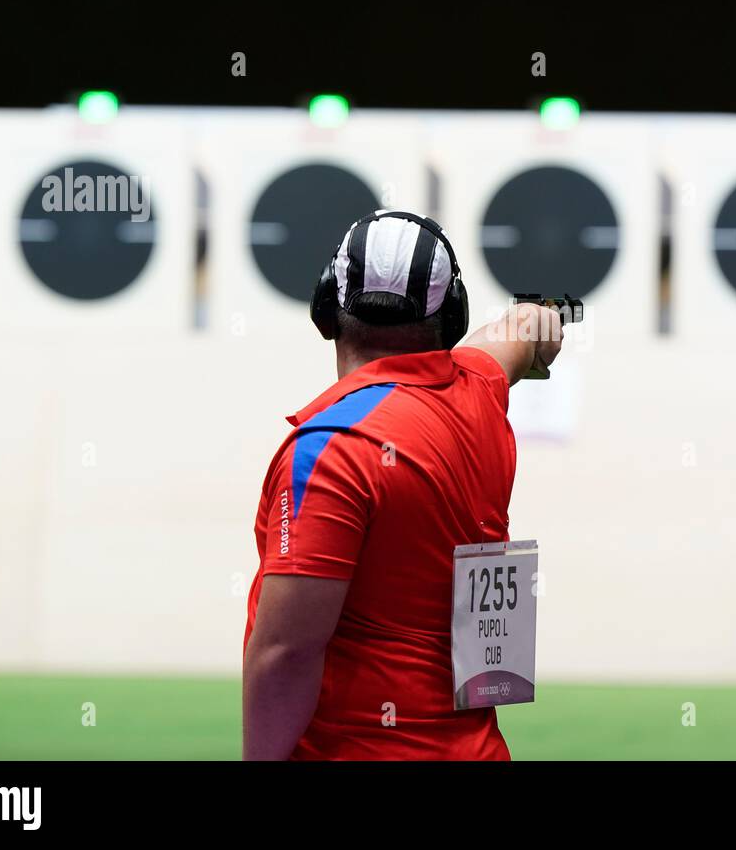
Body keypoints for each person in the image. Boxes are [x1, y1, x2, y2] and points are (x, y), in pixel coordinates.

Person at [241, 210, 564, 760]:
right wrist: (545, 319)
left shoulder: (331, 451)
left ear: (325, 308)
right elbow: (528, 328)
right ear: (453, 315)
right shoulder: (479, 390)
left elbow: (287, 653)